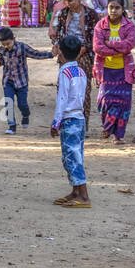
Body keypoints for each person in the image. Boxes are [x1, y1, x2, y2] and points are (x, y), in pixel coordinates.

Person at [49, 0, 100, 128]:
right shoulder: (63, 13)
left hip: (84, 53)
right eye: (66, 1)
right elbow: (57, 33)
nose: (67, 4)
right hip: (66, 52)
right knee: (63, 88)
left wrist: (84, 49)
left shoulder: (90, 14)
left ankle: (83, 124)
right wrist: (57, 46)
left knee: (84, 89)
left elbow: (94, 38)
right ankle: (64, 122)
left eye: (70, 0)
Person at [51, 35, 91, 209]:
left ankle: (83, 195)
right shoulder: (81, 71)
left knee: (72, 158)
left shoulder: (64, 72)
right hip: (79, 118)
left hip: (69, 119)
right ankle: (75, 191)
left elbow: (62, 98)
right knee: (76, 156)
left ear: (61, 51)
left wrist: (56, 122)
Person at [0, 27, 53, 135]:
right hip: (7, 82)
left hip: (21, 82)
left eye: (8, 43)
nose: (6, 46)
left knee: (22, 104)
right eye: (3, 44)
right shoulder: (2, 50)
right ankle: (12, 126)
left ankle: (25, 114)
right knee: (8, 103)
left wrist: (50, 54)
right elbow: (2, 62)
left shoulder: (22, 48)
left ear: (13, 39)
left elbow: (36, 54)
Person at [92, 0, 135, 143]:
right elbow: (98, 48)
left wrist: (109, 44)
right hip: (105, 70)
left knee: (123, 104)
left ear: (123, 9)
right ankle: (107, 126)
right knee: (103, 101)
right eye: (111, 7)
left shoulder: (129, 26)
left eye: (117, 8)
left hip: (124, 71)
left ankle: (117, 136)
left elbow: (129, 45)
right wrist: (117, 50)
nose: (113, 10)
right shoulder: (100, 25)